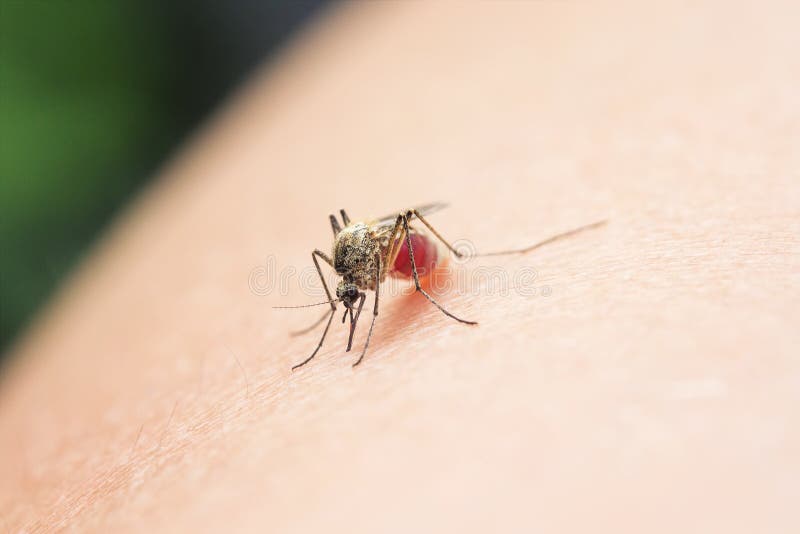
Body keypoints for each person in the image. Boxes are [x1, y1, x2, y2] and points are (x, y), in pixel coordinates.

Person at [1, 2, 797, 532]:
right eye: (345, 296)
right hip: (377, 249)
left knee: (402, 241)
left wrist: (422, 283)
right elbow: (340, 261)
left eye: (346, 298)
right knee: (335, 247)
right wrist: (332, 308)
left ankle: (483, 275)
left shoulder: (380, 250)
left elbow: (397, 228)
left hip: (415, 254)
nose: (350, 302)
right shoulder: (343, 263)